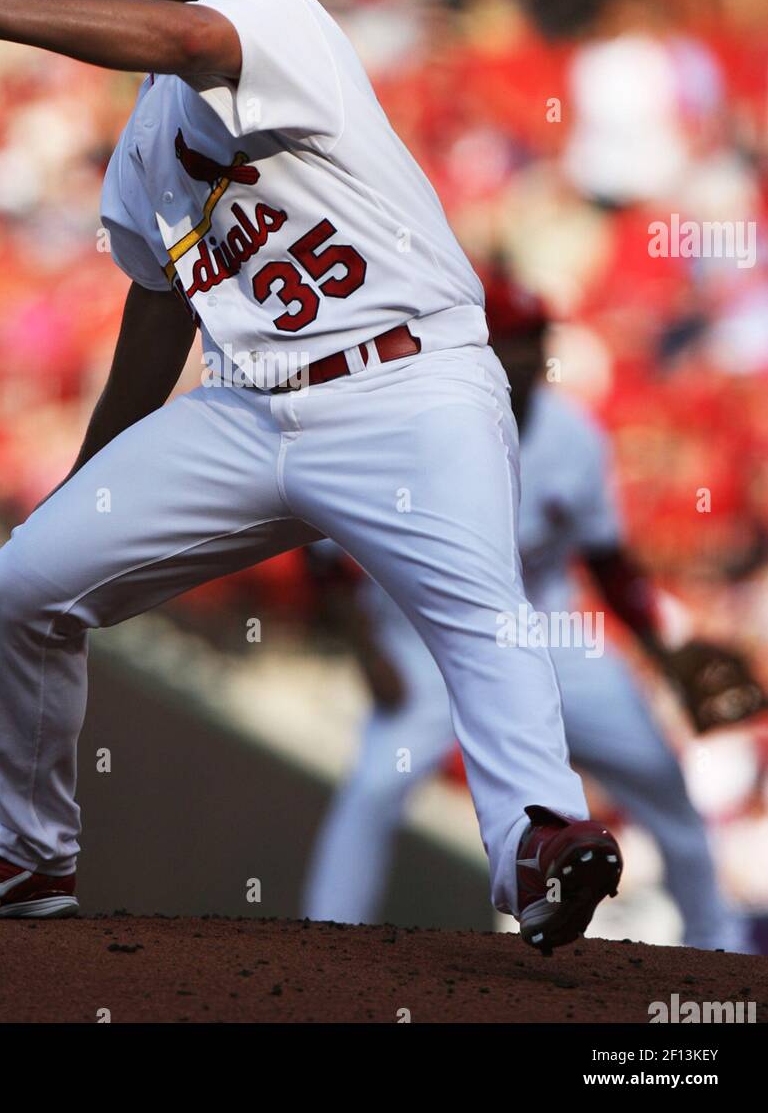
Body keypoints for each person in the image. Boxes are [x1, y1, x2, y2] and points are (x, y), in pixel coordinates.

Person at [0, 0, 621, 953]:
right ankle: (27, 853)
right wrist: (81, 486)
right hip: (248, 408)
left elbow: (191, 37)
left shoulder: (274, 13)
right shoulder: (141, 146)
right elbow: (157, 317)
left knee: (479, 611)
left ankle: (532, 841)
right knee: (20, 585)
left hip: (407, 381)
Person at [302, 272, 749, 953]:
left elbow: (608, 563)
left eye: (529, 340)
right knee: (369, 792)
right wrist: (368, 654)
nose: (518, 355)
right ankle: (325, 944)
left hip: (549, 633)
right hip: (424, 639)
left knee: (664, 783)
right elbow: (324, 555)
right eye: (504, 341)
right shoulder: (405, 428)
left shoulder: (573, 436)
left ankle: (717, 954)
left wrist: (663, 652)